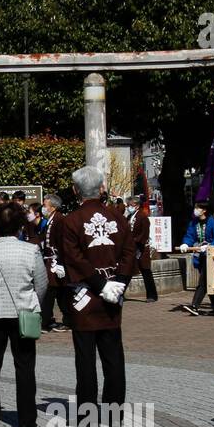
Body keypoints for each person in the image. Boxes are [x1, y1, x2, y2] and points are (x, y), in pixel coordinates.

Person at [59, 166, 137, 410]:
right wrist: (119, 283)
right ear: (101, 188)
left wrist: (98, 284)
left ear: (75, 190)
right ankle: (114, 412)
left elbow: (73, 258)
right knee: (113, 356)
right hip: (113, 294)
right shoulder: (117, 217)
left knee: (85, 359)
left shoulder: (70, 221)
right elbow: (129, 251)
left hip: (85, 296)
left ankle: (87, 412)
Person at [0, 202, 46, 427]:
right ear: (20, 225)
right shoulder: (31, 250)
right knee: (25, 366)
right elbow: (42, 284)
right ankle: (26, 420)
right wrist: (34, 302)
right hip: (22, 313)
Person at [180, 202, 214, 316]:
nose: (195, 210)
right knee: (208, 283)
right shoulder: (194, 223)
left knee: (203, 281)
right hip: (200, 256)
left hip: (211, 256)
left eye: (198, 208)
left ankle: (195, 306)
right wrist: (185, 244)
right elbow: (190, 236)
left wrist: (209, 246)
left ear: (204, 210)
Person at [39, 194, 68, 332]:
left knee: (52, 290)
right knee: (56, 291)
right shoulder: (50, 219)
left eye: (45, 205)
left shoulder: (59, 219)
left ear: (53, 207)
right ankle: (51, 320)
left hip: (56, 261)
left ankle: (46, 321)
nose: (43, 208)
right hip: (49, 259)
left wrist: (61, 263)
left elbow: (63, 243)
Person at [128, 196, 157, 302]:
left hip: (142, 248)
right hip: (132, 248)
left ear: (137, 205)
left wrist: (136, 241)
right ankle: (120, 292)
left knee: (146, 271)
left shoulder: (142, 216)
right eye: (129, 205)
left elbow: (144, 233)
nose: (129, 207)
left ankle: (152, 295)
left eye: (131, 205)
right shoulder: (130, 216)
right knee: (128, 270)